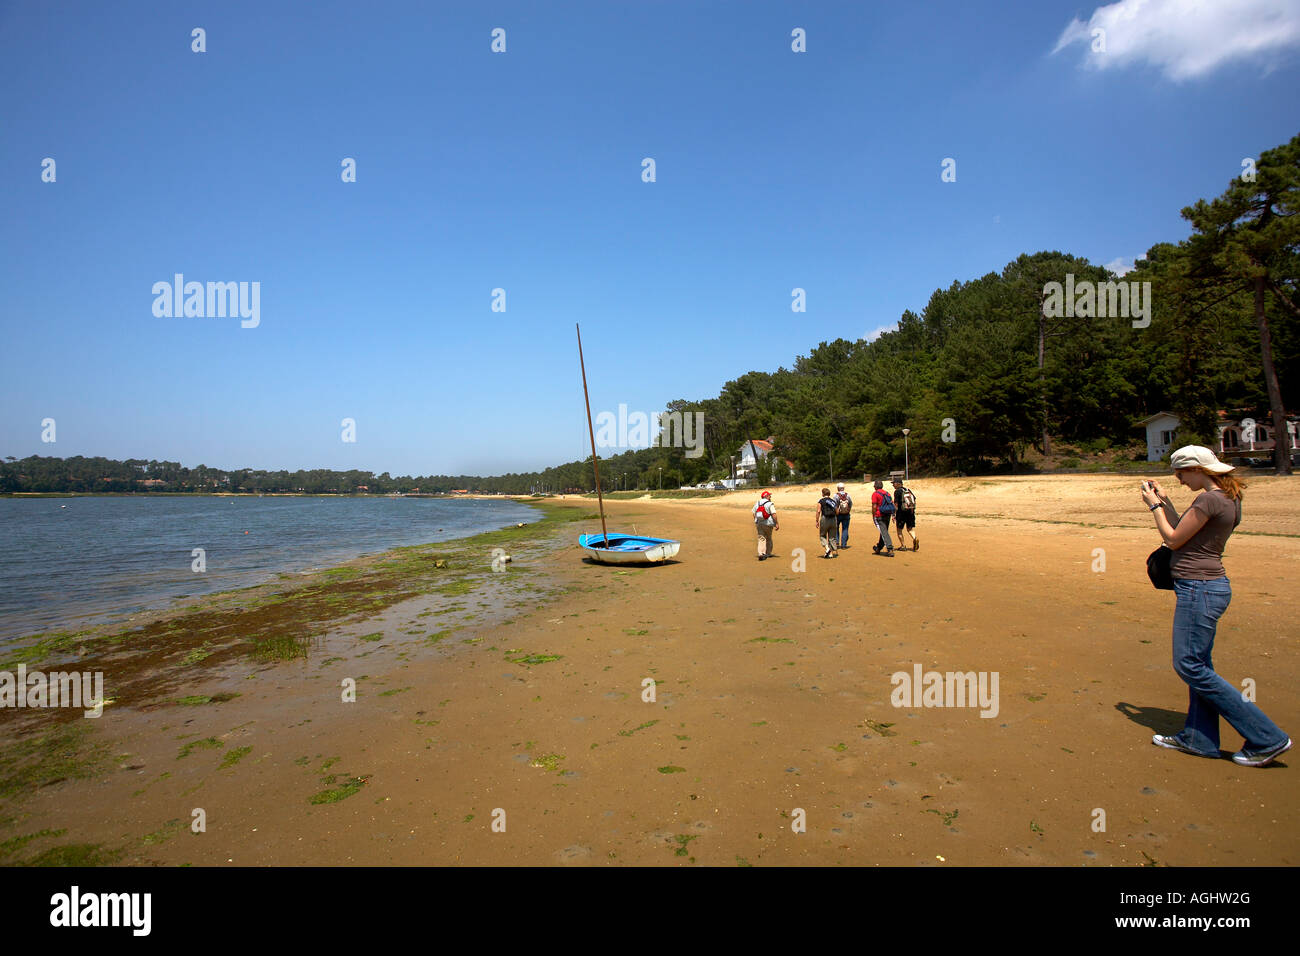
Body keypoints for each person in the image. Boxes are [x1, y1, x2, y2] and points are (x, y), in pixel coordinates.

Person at [1142, 445, 1290, 767]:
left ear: (1197, 469)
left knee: (1189, 666)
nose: (1180, 480)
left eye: (1181, 474)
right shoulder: (1227, 497)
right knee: (1199, 665)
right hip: (1208, 588)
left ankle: (1267, 737)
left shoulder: (1208, 499)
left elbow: (1172, 539)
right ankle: (1199, 738)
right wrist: (1165, 502)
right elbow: (1187, 530)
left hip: (1200, 590)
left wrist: (1154, 506)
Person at [892, 477, 918, 551]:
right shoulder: (907, 490)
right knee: (910, 529)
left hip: (901, 513)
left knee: (899, 530)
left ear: (898, 484)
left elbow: (896, 504)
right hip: (910, 512)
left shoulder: (897, 492)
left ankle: (903, 546)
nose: (893, 485)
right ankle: (915, 538)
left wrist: (894, 514)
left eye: (894, 483)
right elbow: (914, 500)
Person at [870, 479, 895, 556]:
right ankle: (879, 548)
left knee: (884, 532)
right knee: (883, 531)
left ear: (875, 487)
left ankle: (890, 548)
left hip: (879, 515)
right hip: (887, 514)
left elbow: (874, 506)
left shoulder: (875, 494)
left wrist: (873, 515)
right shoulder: (887, 493)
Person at [753, 490, 779, 561]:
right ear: (766, 496)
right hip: (768, 524)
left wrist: (756, 521)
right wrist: (776, 523)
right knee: (769, 538)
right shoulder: (770, 504)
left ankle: (761, 553)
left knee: (761, 538)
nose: (770, 497)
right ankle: (768, 553)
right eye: (769, 496)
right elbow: (774, 514)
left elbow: (754, 513)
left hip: (759, 523)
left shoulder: (757, 503)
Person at [815, 487, 839, 558]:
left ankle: (827, 549)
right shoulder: (833, 501)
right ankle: (831, 554)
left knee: (822, 535)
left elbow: (818, 511)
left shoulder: (821, 501)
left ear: (823, 494)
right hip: (833, 519)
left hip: (825, 519)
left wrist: (817, 521)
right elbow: (837, 511)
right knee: (832, 537)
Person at [833, 482, 853, 549]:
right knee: (845, 529)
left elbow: (834, 505)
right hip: (846, 514)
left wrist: (836, 513)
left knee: (836, 528)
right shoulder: (848, 495)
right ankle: (844, 545)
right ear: (843, 488)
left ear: (838, 488)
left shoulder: (835, 496)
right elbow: (850, 504)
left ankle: (837, 542)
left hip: (838, 515)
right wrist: (848, 510)